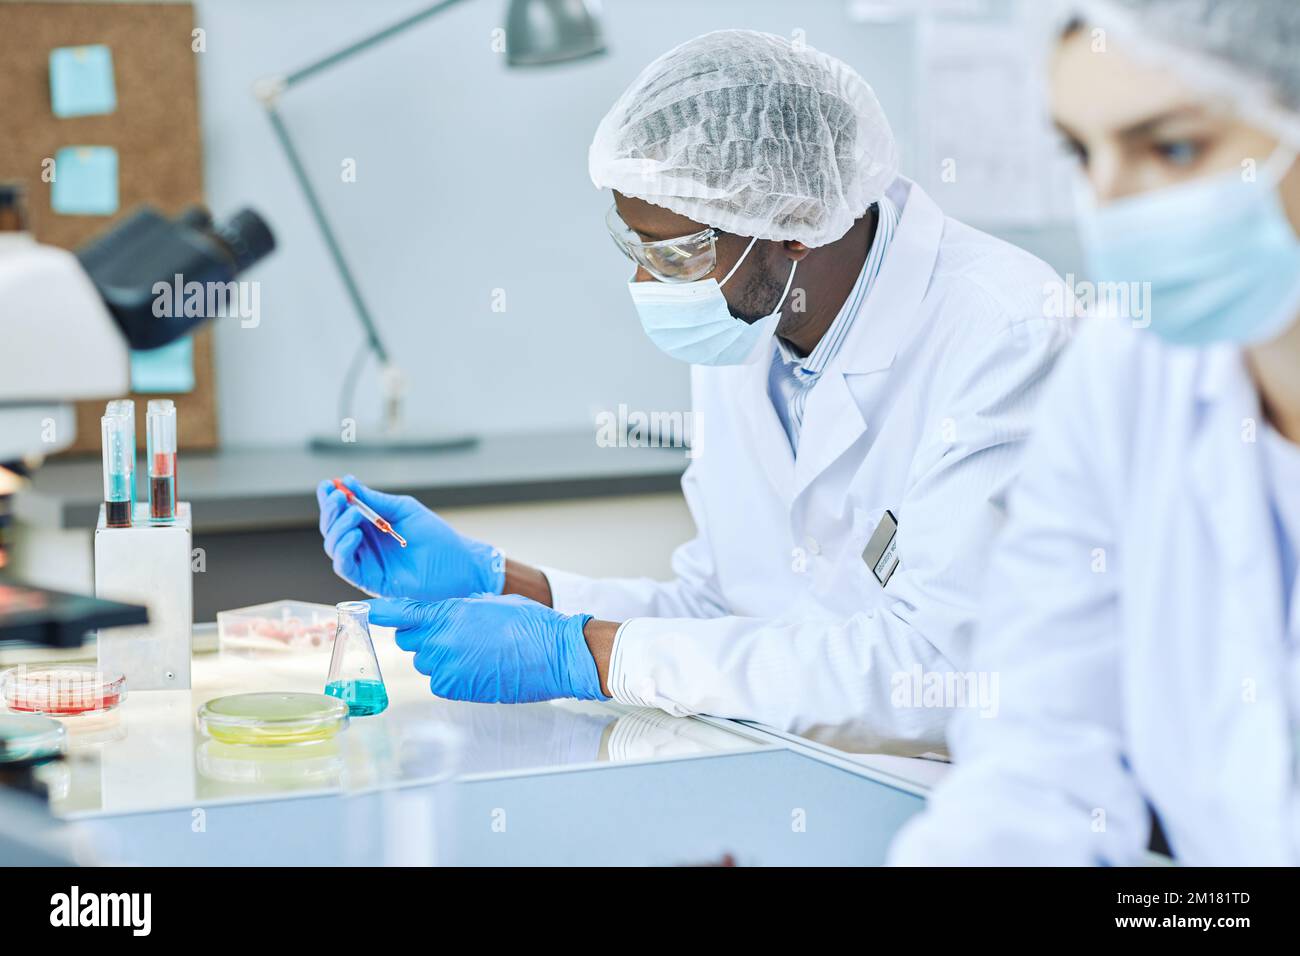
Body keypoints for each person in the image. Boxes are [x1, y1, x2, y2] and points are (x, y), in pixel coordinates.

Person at [317, 30, 1071, 752]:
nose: (646, 285)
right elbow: (725, 609)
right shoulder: (750, 327)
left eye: (674, 255)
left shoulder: (1004, 333)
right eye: (636, 249)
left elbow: (937, 675)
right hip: (791, 769)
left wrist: (587, 654)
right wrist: (507, 582)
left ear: (795, 223)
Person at [891, 0, 1300, 864]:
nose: (1107, 202)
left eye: (1173, 148)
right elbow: (1042, 741)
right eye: (1083, 152)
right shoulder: (1125, 368)